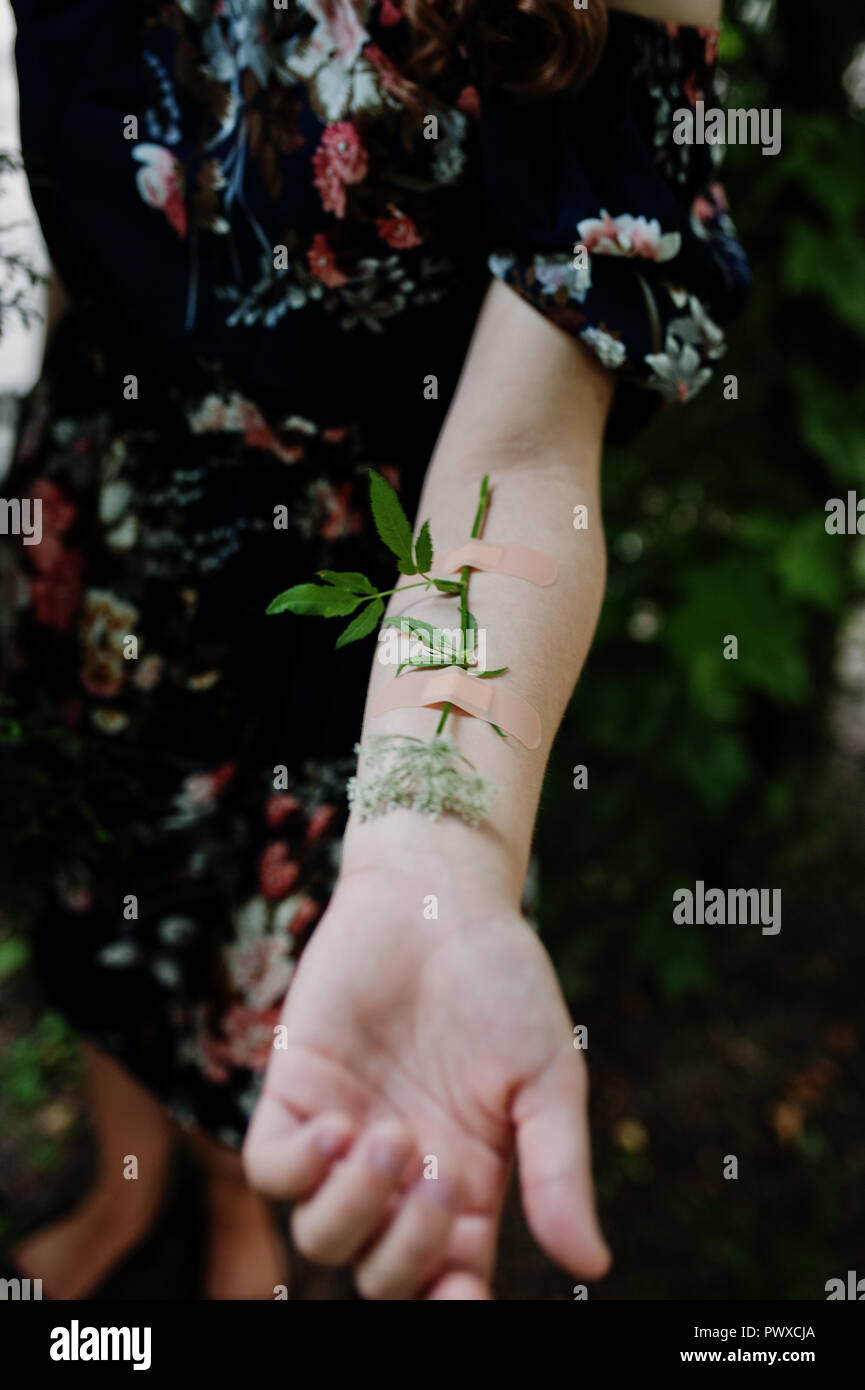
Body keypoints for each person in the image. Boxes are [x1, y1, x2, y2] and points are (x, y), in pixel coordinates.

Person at [1, 0, 748, 1299]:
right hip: (98, 514)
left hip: (365, 603)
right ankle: (126, 1189)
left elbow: (522, 458)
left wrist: (443, 841)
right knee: (104, 916)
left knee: (280, 965)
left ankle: (240, 1211)